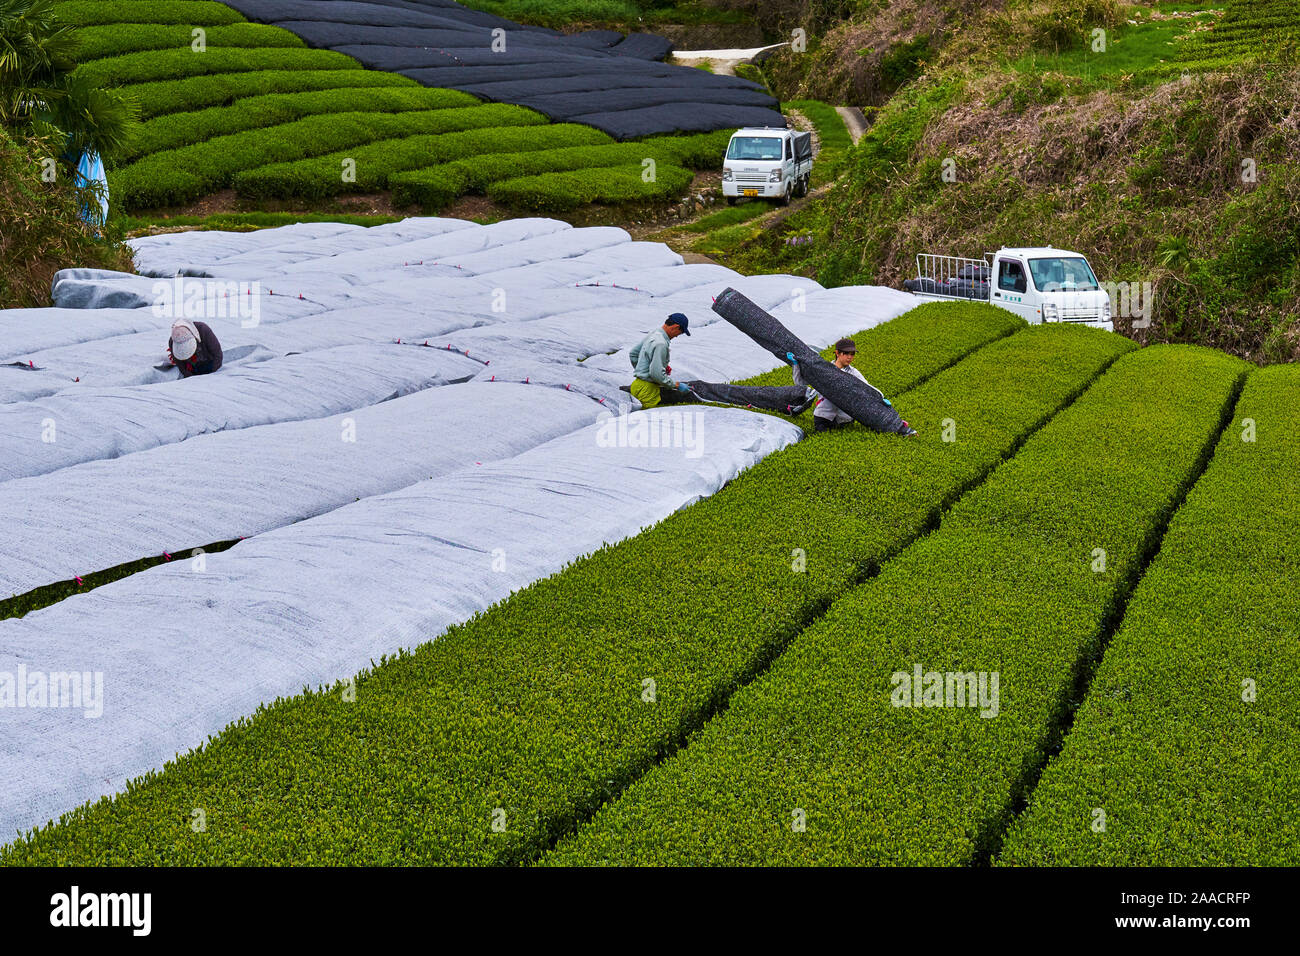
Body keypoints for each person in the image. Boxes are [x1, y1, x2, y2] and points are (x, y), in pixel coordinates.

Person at [789, 337, 917, 436]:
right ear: (837, 353)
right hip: (824, 418)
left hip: (845, 420)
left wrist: (880, 398)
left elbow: (867, 387)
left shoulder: (853, 372)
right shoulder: (824, 370)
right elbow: (800, 384)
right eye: (846, 353)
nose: (850, 357)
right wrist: (796, 365)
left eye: (852, 354)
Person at [628, 312, 692, 409]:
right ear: (675, 327)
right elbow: (656, 374)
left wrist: (644, 369)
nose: (678, 336)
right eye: (681, 332)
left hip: (637, 385)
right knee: (647, 421)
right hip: (648, 391)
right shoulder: (661, 343)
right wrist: (676, 385)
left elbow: (633, 354)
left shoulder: (654, 334)